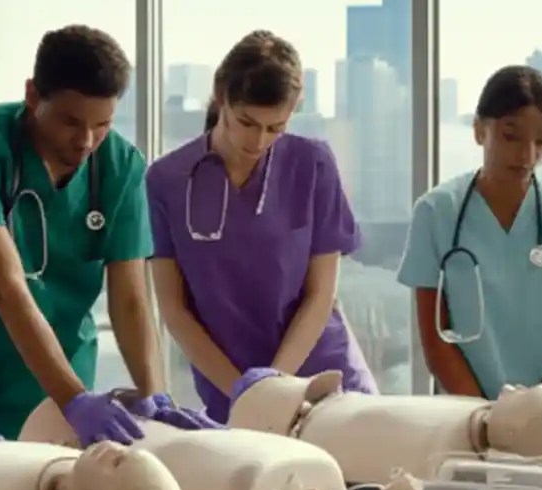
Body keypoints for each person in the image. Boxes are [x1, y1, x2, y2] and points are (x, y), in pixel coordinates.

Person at [0, 24, 215, 445]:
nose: (86, 141)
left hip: (67, 382)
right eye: (70, 122)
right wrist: (73, 399)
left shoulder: (121, 166)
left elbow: (130, 299)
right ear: (32, 95)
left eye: (103, 124)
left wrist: (155, 395)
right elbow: (4, 285)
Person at [146, 30, 377, 424]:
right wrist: (245, 393)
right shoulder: (166, 180)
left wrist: (272, 387)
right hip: (231, 390)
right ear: (220, 94)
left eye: (275, 128)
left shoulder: (313, 164)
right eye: (246, 122)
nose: (258, 141)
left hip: (327, 381)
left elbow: (320, 295)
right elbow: (174, 309)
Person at [397, 65, 542, 446]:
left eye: (541, 142)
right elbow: (436, 339)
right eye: (510, 136)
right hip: (470, 426)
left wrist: (538, 418)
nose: (526, 154)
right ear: (479, 130)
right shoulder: (436, 213)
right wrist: (488, 424)